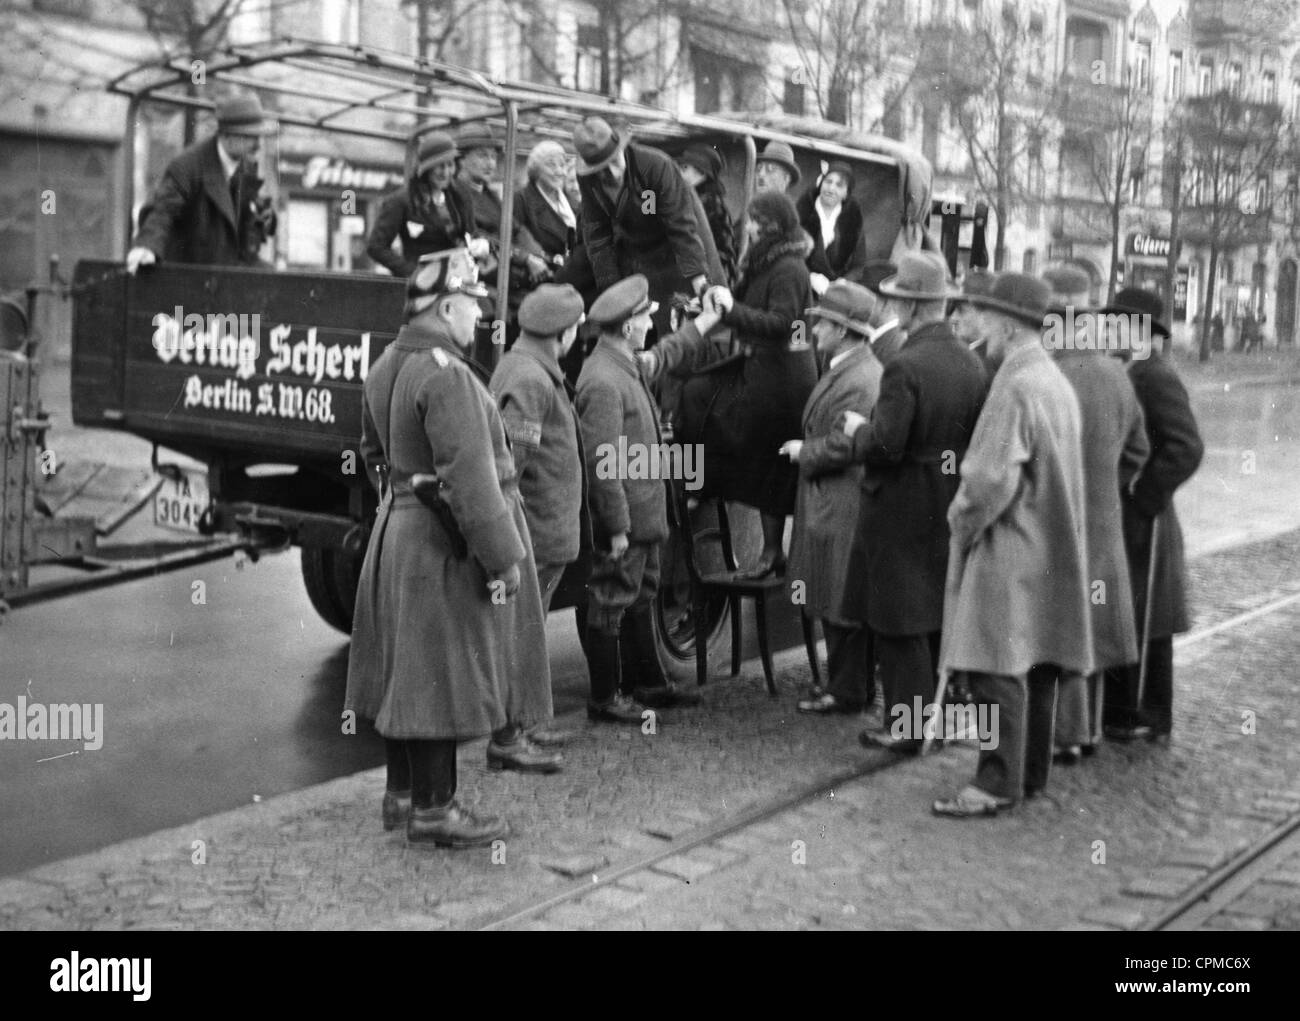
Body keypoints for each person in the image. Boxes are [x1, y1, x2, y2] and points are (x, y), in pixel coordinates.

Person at [345, 248, 552, 848]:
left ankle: (402, 796)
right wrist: (503, 560)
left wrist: (403, 497)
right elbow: (471, 479)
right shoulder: (447, 374)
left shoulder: (386, 363)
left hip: (395, 531)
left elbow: (372, 455)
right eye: (473, 306)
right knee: (438, 674)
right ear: (446, 306)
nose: (480, 319)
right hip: (439, 541)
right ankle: (438, 809)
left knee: (402, 670)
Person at [932, 273, 1093, 817]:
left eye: (983, 316)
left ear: (1004, 323)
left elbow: (988, 481)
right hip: (1050, 544)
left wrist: (960, 521)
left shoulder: (1014, 382)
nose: (978, 327)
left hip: (1011, 545)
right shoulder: (1054, 380)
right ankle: (1030, 772)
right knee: (1037, 663)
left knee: (998, 664)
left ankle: (997, 781)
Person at [841, 251, 987, 754]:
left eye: (898, 300)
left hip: (899, 502)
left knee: (898, 619)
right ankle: (934, 719)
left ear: (914, 307)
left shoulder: (904, 364)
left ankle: (906, 726)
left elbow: (886, 445)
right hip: (946, 496)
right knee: (931, 611)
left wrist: (860, 432)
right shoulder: (971, 360)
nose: (892, 307)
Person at [577, 275, 702, 722]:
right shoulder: (604, 381)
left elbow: (667, 355)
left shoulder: (623, 364)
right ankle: (606, 697)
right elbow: (601, 466)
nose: (651, 324)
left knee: (642, 596)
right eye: (646, 318)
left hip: (646, 519)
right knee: (611, 601)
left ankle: (646, 683)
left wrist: (705, 322)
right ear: (628, 326)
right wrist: (616, 528)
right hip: (628, 522)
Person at [1042, 273, 1150, 763]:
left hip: (1054, 521)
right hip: (1102, 522)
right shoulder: (1115, 374)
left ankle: (1065, 734)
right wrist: (1108, 482)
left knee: (1061, 627)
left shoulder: (1048, 374)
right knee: (1095, 625)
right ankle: (1086, 730)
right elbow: (1139, 450)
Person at [485, 283, 591, 773]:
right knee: (518, 635)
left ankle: (524, 723)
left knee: (528, 632)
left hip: (542, 535)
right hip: (535, 537)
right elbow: (511, 465)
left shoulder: (527, 368)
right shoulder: (529, 379)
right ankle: (508, 738)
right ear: (561, 334)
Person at [1101, 288, 1203, 743]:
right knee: (1129, 608)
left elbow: (1186, 447)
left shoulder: (1154, 375)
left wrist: (1143, 496)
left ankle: (1146, 712)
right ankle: (1125, 708)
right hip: (1131, 512)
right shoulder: (1131, 370)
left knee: (1148, 616)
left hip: (1148, 518)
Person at [782, 282, 884, 715]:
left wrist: (804, 451)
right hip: (832, 499)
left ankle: (846, 690)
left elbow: (847, 445)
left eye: (823, 322)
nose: (815, 328)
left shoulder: (859, 377)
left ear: (843, 330)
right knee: (833, 592)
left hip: (839, 500)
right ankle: (846, 685)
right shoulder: (851, 368)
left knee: (839, 596)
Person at [707, 191, 819, 578]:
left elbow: (783, 323)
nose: (748, 227)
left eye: (754, 219)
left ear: (770, 224)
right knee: (765, 460)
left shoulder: (788, 268)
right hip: (770, 374)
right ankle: (772, 552)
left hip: (783, 382)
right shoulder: (767, 262)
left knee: (769, 462)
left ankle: (772, 553)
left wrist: (732, 311)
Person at [572, 117, 723, 337]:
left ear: (622, 148)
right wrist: (613, 293)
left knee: (685, 331)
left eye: (615, 162)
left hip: (678, 258)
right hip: (640, 260)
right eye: (603, 169)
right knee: (640, 331)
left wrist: (701, 284)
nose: (613, 174)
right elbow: (597, 237)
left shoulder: (655, 166)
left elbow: (681, 229)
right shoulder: (589, 181)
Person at [127, 95, 277, 273]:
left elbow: (249, 217)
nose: (258, 145)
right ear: (227, 136)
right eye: (251, 137)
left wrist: (264, 218)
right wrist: (147, 247)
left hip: (228, 274)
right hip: (191, 276)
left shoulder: (246, 167)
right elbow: (163, 210)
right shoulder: (188, 166)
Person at [365, 132, 480, 278]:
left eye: (450, 165)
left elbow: (471, 233)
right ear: (426, 169)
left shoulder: (461, 197)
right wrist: (413, 273)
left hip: (458, 278)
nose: (445, 172)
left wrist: (478, 245)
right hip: (421, 288)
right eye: (439, 166)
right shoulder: (401, 201)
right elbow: (376, 247)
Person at [454, 125, 550, 296]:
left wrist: (537, 256)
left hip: (507, 272)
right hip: (477, 277)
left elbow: (517, 229)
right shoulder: (456, 195)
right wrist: (525, 259)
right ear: (461, 159)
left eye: (493, 156)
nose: (490, 163)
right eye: (482, 155)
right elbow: (477, 237)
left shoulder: (490, 196)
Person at [797, 161, 867, 297]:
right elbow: (788, 256)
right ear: (821, 184)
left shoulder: (854, 221)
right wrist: (810, 277)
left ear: (846, 194)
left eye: (839, 185)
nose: (831, 188)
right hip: (801, 288)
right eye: (828, 182)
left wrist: (844, 283)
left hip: (835, 296)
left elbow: (859, 266)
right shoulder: (801, 213)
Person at [517, 140, 582, 270]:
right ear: (536, 169)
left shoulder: (570, 202)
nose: (559, 171)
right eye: (551, 165)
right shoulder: (522, 199)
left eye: (562, 165)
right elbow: (516, 240)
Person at [677, 144, 737, 285]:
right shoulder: (693, 200)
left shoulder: (708, 206)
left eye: (685, 168)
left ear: (701, 174)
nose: (679, 172)